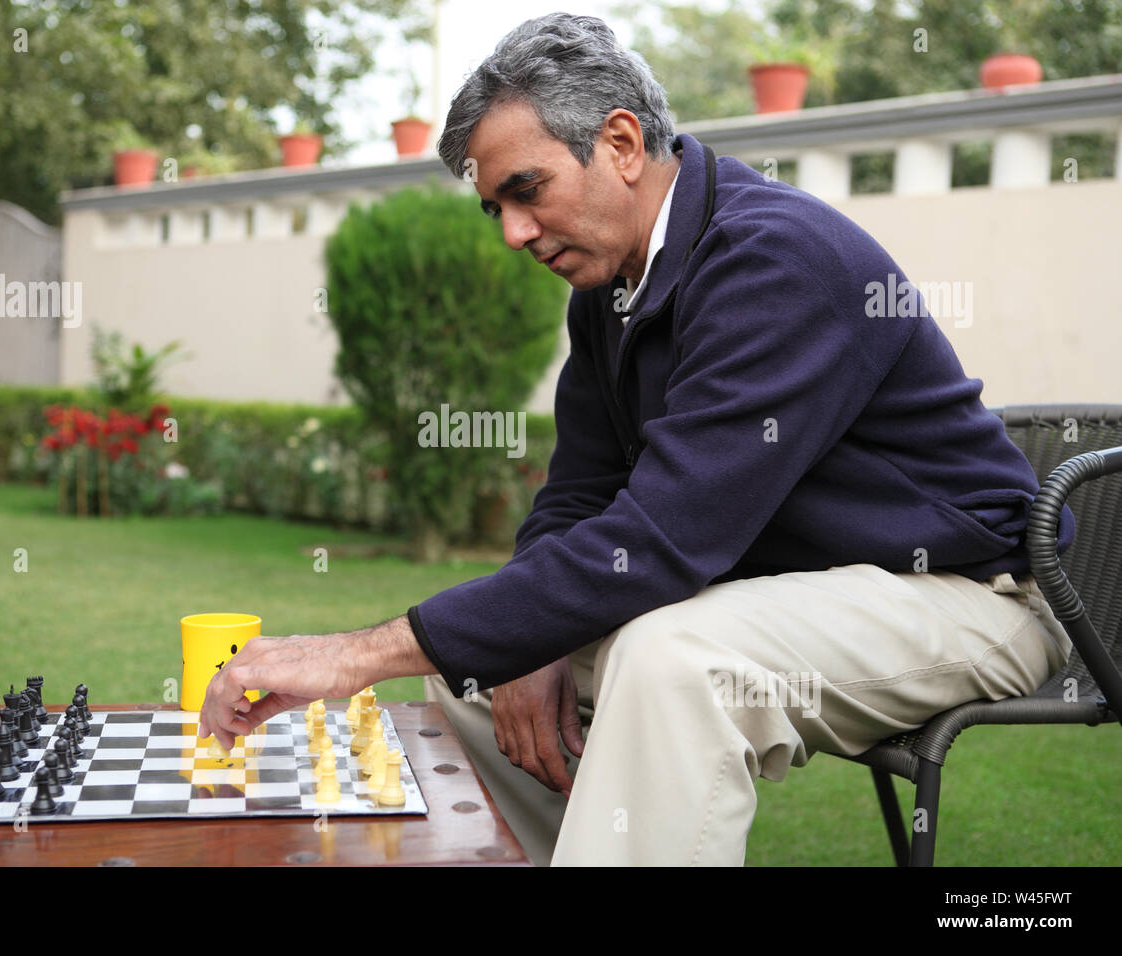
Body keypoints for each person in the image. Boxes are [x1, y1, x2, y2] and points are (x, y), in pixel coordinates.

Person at [199, 13, 1075, 866]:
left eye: (526, 190)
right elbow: (581, 494)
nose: (512, 233)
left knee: (673, 661)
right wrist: (524, 638)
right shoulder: (609, 288)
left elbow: (662, 540)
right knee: (476, 676)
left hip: (974, 597)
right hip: (811, 589)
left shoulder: (774, 260)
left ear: (620, 144)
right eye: (493, 207)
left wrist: (354, 655)